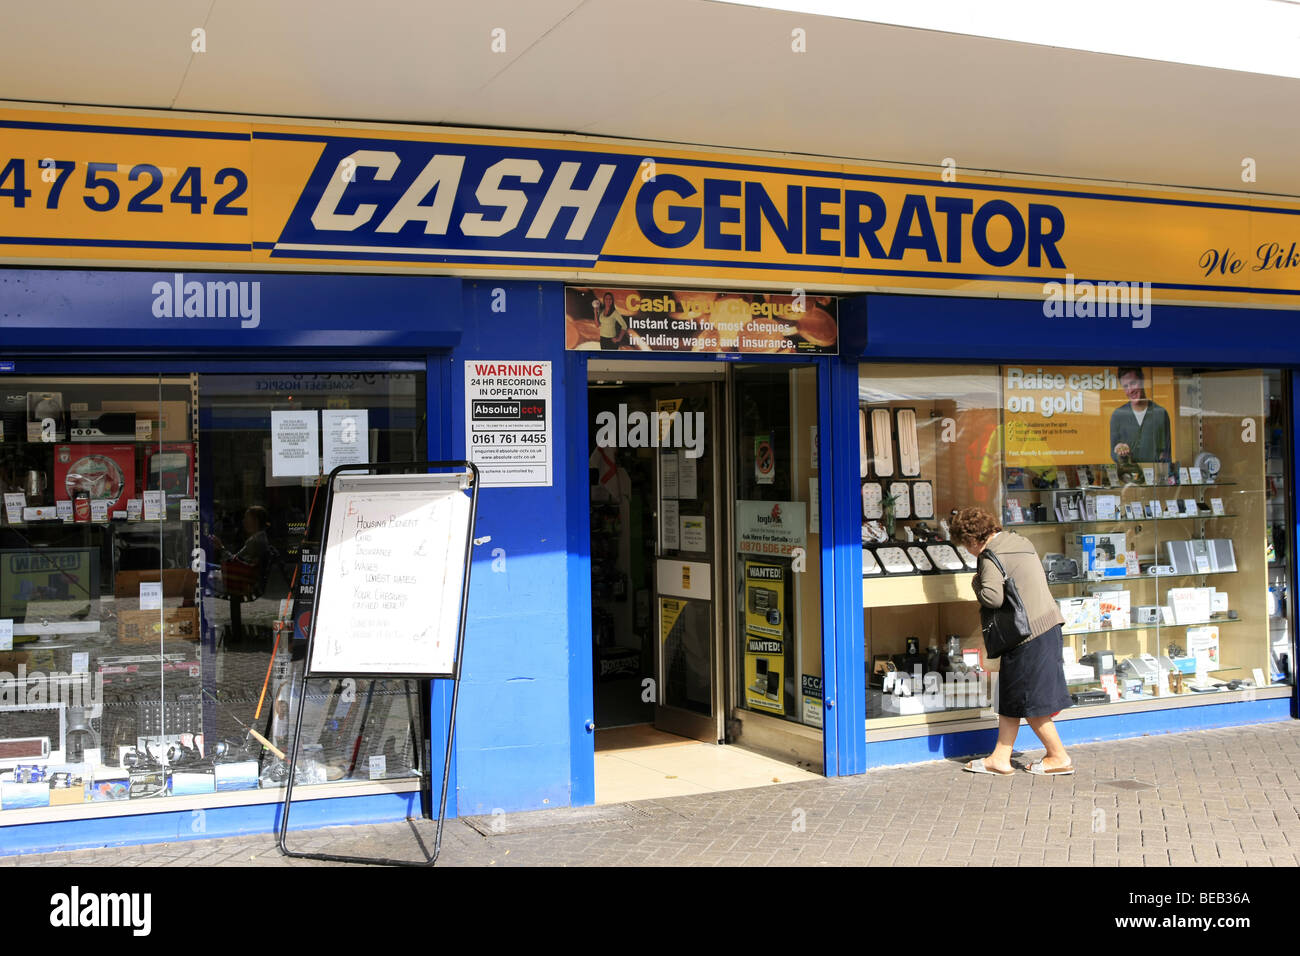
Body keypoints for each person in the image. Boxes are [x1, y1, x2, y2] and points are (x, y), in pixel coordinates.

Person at [950, 507, 1074, 776]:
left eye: (965, 545)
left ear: (971, 540)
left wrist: (976, 582)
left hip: (1027, 635)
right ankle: (1000, 757)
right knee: (1012, 697)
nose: (967, 550)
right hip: (1048, 626)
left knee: (1030, 700)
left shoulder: (989, 555)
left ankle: (1058, 756)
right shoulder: (1021, 541)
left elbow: (993, 597)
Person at [1110, 366, 1171, 463]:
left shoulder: (1160, 413)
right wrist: (1118, 451)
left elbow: (1167, 453)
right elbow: (1113, 455)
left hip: (1155, 476)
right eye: (1125, 386)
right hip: (1127, 477)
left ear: (1142, 380)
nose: (1130, 390)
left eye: (1133, 383)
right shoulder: (1118, 415)